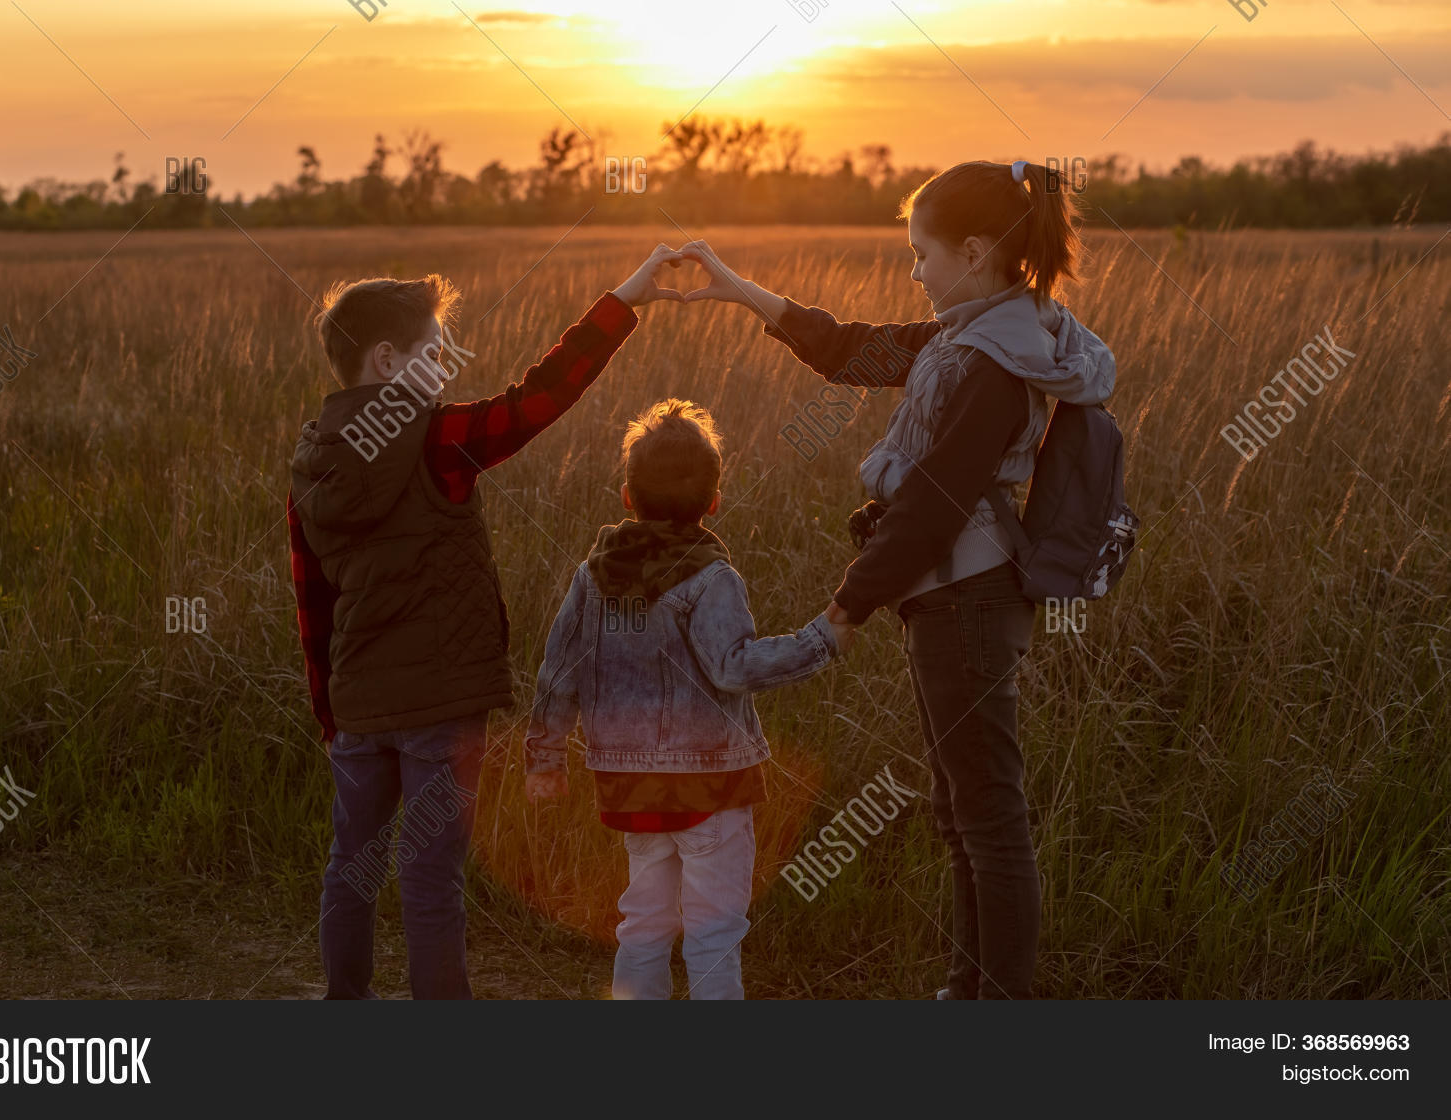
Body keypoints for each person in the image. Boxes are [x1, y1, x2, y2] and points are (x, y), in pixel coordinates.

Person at [680, 160, 1117, 998]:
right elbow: (851, 350)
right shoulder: (968, 333)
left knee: (988, 817)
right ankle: (968, 987)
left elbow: (934, 505)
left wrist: (849, 604)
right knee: (962, 811)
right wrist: (739, 291)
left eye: (922, 253)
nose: (913, 271)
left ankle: (1002, 1001)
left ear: (977, 250)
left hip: (968, 598)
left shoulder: (992, 358)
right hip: (947, 597)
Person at [286, 245, 687, 998]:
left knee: (351, 864)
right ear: (385, 359)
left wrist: (330, 711)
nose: (445, 366)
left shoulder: (313, 459)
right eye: (432, 353)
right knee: (431, 880)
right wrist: (624, 303)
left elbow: (312, 598)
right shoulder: (437, 440)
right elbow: (540, 397)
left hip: (359, 706)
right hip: (443, 705)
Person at [524, 398, 855, 999]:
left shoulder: (592, 576)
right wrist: (820, 639)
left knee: (643, 924)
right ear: (714, 503)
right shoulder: (711, 578)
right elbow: (733, 668)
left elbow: (558, 669)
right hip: (712, 787)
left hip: (630, 786)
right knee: (713, 930)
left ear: (627, 497)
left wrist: (545, 760)